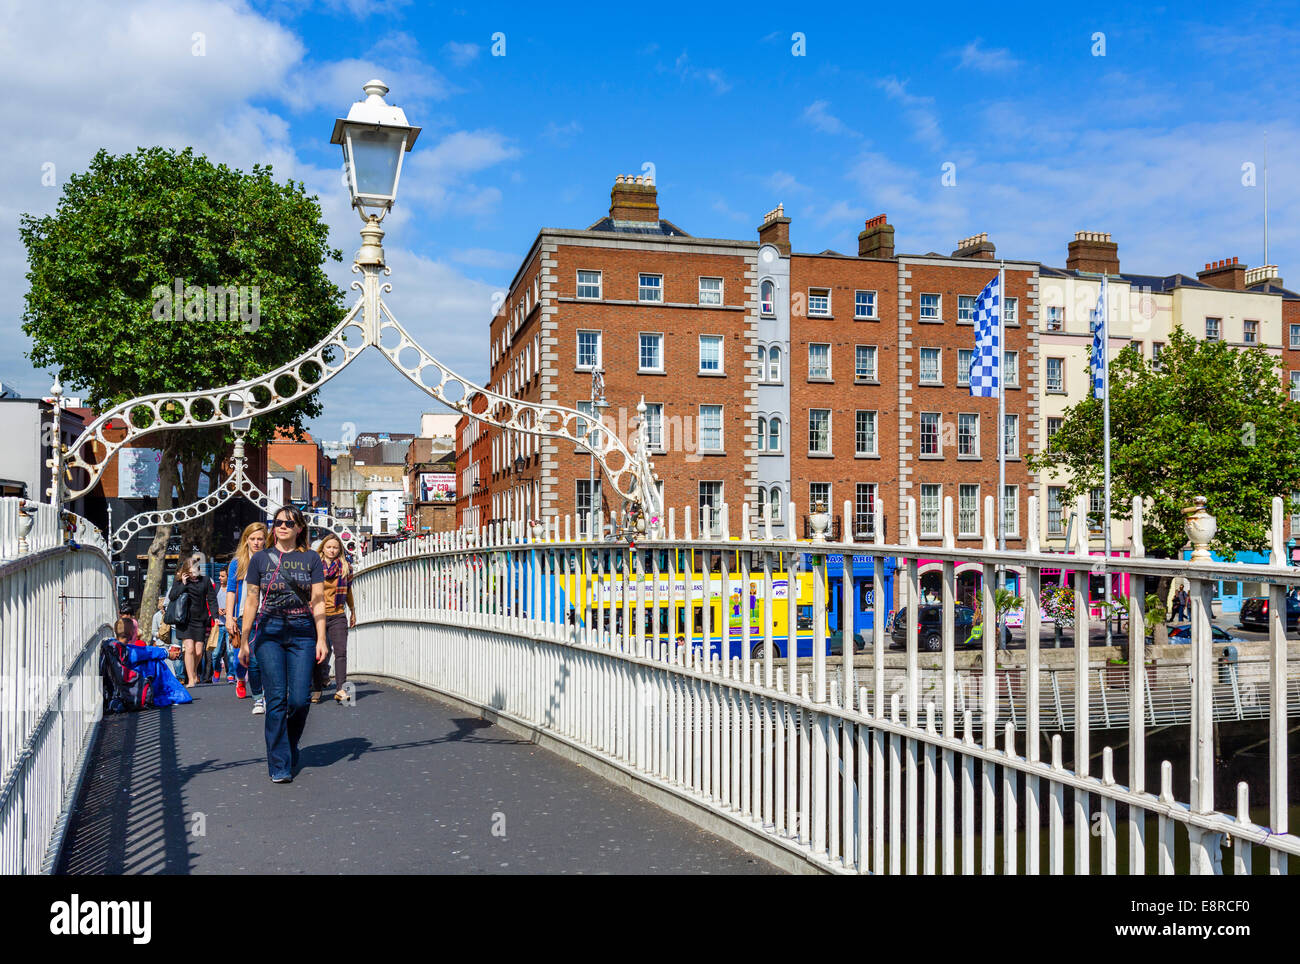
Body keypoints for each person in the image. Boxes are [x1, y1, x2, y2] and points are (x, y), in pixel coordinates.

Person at [240, 507, 327, 783]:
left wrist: (322, 638)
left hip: (303, 632)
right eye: (277, 523)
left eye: (288, 523)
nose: (282, 527)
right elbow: (252, 600)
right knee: (276, 699)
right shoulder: (260, 560)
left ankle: (288, 745)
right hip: (270, 632)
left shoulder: (311, 559)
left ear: (299, 528)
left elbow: (318, 600)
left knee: (300, 699)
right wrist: (244, 638)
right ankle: (280, 764)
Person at [226, 522, 268, 711]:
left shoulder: (271, 559)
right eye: (253, 539)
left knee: (264, 656)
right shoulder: (238, 562)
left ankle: (262, 695)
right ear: (246, 540)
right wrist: (229, 617)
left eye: (260, 539)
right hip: (245, 614)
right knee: (247, 658)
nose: (257, 542)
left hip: (267, 613)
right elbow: (231, 591)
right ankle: (245, 682)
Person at [315, 534, 356, 703]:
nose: (332, 550)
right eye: (329, 547)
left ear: (340, 550)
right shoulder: (315, 567)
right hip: (317, 615)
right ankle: (316, 688)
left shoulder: (345, 567)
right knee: (316, 654)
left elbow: (347, 591)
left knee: (341, 652)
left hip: (338, 614)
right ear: (323, 548)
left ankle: (340, 689)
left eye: (335, 547)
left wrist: (353, 610)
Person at [167, 557, 217, 687]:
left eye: (195, 572)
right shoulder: (180, 581)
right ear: (186, 572)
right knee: (189, 648)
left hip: (200, 619)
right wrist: (183, 584)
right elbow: (172, 596)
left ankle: (194, 671)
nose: (193, 575)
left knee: (199, 651)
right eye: (190, 572)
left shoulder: (205, 580)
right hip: (185, 620)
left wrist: (215, 615)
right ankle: (190, 679)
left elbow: (211, 598)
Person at [209, 570, 233, 682]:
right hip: (218, 625)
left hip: (230, 623)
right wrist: (216, 611)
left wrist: (229, 612)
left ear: (228, 577)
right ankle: (217, 670)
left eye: (222, 576)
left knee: (230, 652)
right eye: (219, 575)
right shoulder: (215, 588)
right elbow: (210, 602)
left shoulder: (232, 588)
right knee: (215, 653)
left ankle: (231, 674)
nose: (220, 578)